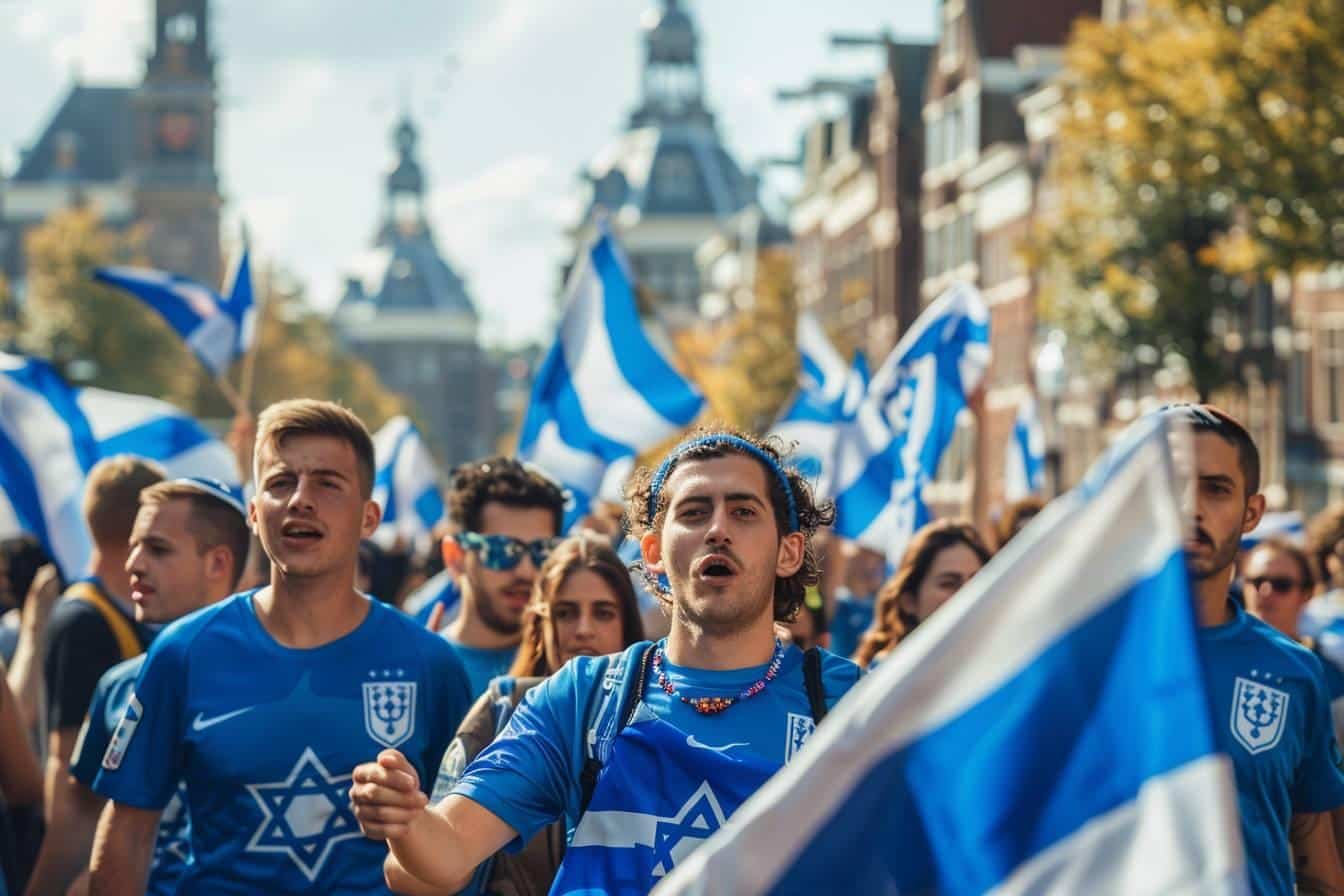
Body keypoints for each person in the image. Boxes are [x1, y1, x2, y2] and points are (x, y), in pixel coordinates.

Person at [351, 428, 863, 892]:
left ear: (789, 552)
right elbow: (447, 853)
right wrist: (407, 821)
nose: (717, 530)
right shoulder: (582, 697)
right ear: (655, 553)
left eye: (744, 512)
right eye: (693, 511)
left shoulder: (848, 704)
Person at [89, 399, 473, 895]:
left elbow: (462, 848)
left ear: (369, 517)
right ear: (253, 513)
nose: (300, 500)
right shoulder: (184, 652)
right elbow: (128, 831)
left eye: (327, 483)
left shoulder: (430, 663)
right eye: (280, 482)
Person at [396, 532, 645, 896]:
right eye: (565, 612)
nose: (584, 630)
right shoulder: (501, 711)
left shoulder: (658, 724)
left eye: (603, 613)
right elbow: (422, 871)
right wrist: (406, 822)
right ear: (541, 624)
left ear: (628, 623)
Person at [1166, 403, 1344, 894]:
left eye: (1215, 489)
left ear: (1251, 512)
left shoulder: (1293, 671)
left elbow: (1317, 870)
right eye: (1172, 482)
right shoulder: (1083, 661)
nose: (1190, 506)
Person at [51, 478, 251, 896]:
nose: (134, 565)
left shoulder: (273, 682)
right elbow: (80, 818)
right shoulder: (118, 684)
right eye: (134, 546)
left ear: (217, 564)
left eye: (157, 549)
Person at [27, 458, 164, 896]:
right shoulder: (83, 620)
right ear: (139, 528)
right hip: (91, 849)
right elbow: (67, 767)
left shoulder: (139, 615)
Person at [438, 457, 567, 699]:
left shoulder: (573, 667)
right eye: (502, 551)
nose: (526, 571)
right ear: (455, 556)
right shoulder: (419, 671)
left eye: (542, 551)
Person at [852, 520, 990, 668]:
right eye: (949, 584)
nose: (967, 593)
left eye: (976, 581)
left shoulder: (1001, 668)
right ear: (909, 602)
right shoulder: (880, 680)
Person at [827, 543, 886, 661]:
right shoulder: (839, 602)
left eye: (880, 562)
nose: (875, 565)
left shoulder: (882, 607)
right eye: (867, 556)